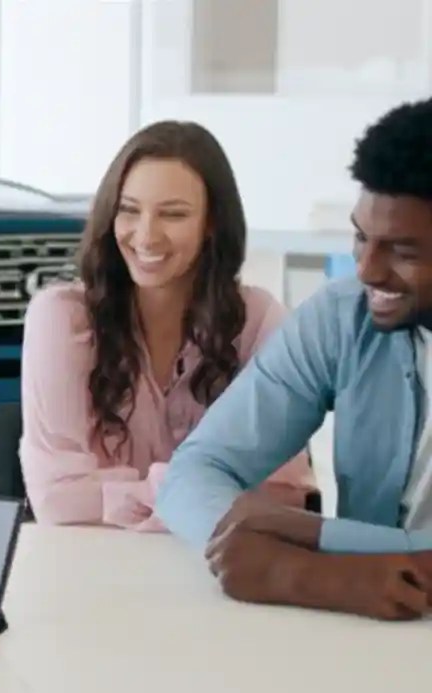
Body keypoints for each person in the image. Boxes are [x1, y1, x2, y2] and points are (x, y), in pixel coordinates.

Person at [157, 98, 432, 621]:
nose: (368, 271)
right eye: (360, 237)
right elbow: (194, 474)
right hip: (372, 644)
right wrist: (313, 565)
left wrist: (307, 556)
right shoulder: (342, 316)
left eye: (404, 251)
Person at [20, 120, 316, 529]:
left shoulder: (260, 321)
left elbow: (284, 493)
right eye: (129, 210)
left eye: (173, 214)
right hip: (86, 569)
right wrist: (199, 490)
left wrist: (116, 495)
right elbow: (55, 499)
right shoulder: (60, 317)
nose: (146, 236)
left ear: (211, 223)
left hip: (212, 573)